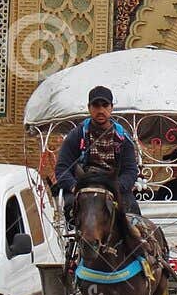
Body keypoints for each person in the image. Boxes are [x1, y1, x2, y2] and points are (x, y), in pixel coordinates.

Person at [53, 85, 140, 216]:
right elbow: (62, 168)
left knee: (132, 209)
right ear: (89, 108)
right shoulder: (77, 135)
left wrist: (117, 187)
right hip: (84, 186)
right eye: (96, 106)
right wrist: (74, 186)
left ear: (111, 107)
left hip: (113, 185)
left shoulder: (122, 137)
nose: (101, 110)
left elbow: (130, 170)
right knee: (71, 207)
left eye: (105, 105)